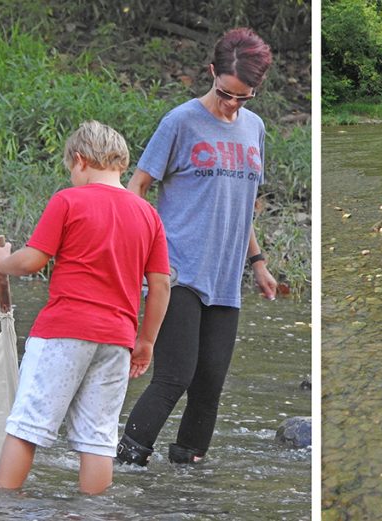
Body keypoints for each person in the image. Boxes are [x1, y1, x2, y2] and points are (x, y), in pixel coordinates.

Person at [116, 27, 278, 468]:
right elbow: (137, 186)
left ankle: (186, 479)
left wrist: (258, 262)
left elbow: (240, 205)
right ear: (212, 72)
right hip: (177, 271)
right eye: (226, 93)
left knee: (209, 386)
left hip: (225, 277)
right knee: (174, 377)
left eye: (244, 97)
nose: (232, 105)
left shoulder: (255, 128)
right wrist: (140, 253)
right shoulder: (180, 122)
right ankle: (125, 464)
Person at [0, 121, 170, 494]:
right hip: (117, 340)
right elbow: (161, 285)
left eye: (71, 168)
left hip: (64, 332)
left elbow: (32, 260)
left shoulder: (68, 201)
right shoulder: (148, 214)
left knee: (26, 427)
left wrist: (0, 260)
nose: (71, 176)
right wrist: (146, 340)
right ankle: (94, 512)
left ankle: (3, 505)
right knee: (98, 439)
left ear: (81, 160)